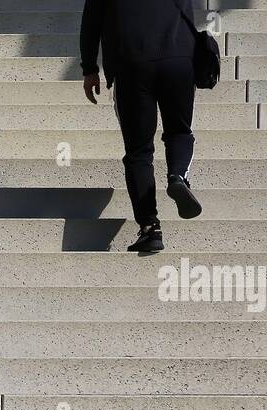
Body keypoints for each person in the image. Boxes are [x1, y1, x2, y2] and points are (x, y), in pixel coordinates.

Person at [80, 0, 203, 253]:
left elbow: (91, 20)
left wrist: (90, 68)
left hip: (131, 62)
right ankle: (177, 176)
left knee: (139, 152)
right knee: (179, 131)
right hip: (178, 57)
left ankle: (150, 227)